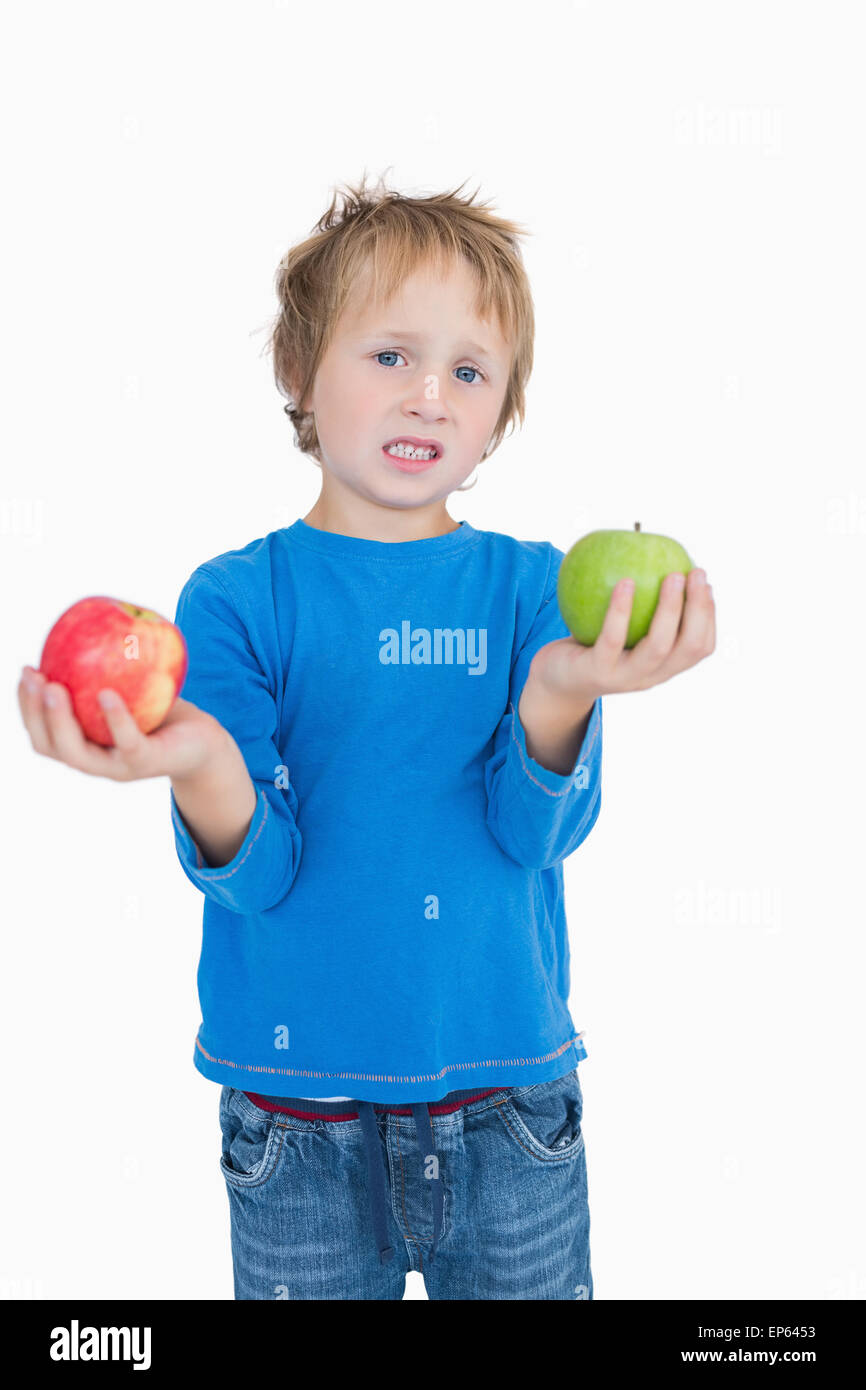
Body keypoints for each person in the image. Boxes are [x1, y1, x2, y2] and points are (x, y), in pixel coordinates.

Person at [18, 173, 715, 1299]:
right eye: (390, 355)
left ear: (499, 413)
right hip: (296, 1124)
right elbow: (263, 871)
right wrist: (195, 758)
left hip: (509, 1105)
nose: (429, 395)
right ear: (298, 371)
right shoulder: (236, 600)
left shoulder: (537, 591)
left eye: (467, 371)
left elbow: (534, 834)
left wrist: (557, 695)